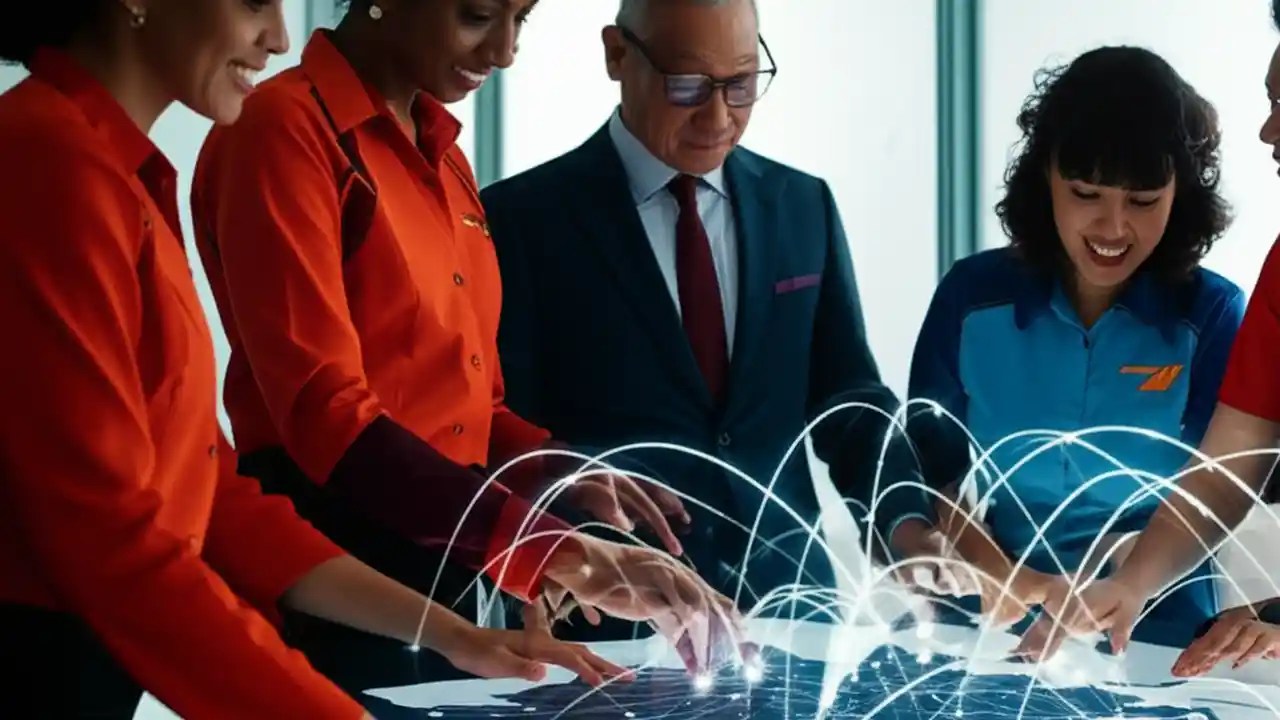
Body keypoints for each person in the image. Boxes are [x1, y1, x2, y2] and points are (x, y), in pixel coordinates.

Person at [0, 2, 631, 718]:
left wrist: (459, 635)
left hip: (99, 660)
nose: (278, 37)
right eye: (254, 1)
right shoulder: (51, 161)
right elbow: (114, 544)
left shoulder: (118, 170)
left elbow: (209, 490)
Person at [190, 0, 740, 697]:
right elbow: (327, 417)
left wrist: (561, 473)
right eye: (478, 15)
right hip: (333, 573)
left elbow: (474, 409)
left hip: (455, 567)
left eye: (521, 19)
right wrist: (550, 549)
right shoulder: (282, 129)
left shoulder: (445, 156)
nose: (505, 52)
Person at [479, 0, 940, 634]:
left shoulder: (801, 205)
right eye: (688, 86)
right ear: (617, 54)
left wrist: (905, 521)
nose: (719, 117)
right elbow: (503, 432)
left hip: (793, 610)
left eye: (741, 84)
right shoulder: (520, 221)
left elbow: (848, 398)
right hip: (613, 620)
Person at [898, 45, 1241, 644]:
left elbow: (1216, 491)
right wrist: (1008, 581)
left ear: (1179, 194)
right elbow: (935, 475)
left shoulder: (1212, 316)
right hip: (993, 611)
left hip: (1156, 625)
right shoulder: (969, 298)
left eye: (1142, 202)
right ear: (1046, 179)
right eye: (1086, 194)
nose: (1113, 228)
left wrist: (1120, 583)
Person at [1020, 0, 1280, 674]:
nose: (1268, 131)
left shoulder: (1211, 311)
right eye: (1270, 101)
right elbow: (1224, 475)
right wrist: (1129, 586)